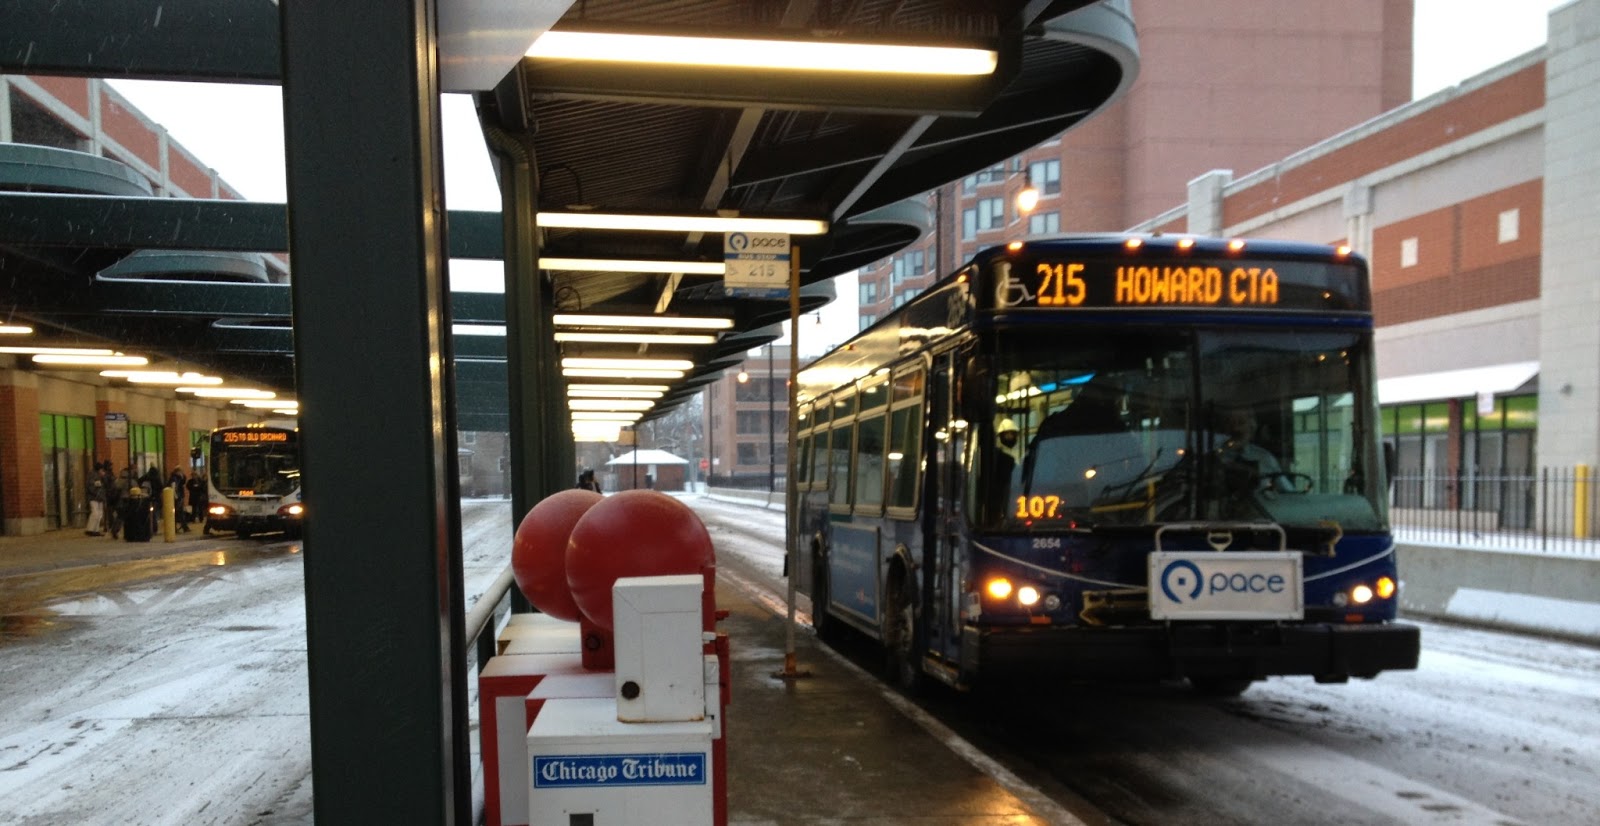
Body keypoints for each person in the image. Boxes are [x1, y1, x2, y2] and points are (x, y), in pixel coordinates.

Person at [85, 462, 107, 536]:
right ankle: (90, 529)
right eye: (101, 469)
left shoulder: (99, 476)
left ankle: (96, 530)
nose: (102, 471)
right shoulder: (92, 476)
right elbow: (92, 487)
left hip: (99, 497)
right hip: (94, 497)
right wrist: (96, 493)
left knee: (99, 514)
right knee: (95, 513)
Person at [168, 468, 191, 532]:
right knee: (178, 513)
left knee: (179, 513)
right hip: (177, 498)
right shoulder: (174, 478)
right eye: (181, 471)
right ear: (178, 471)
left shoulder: (177, 478)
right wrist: (176, 497)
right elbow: (173, 488)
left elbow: (183, 482)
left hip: (178, 497)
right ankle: (182, 527)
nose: (182, 473)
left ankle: (183, 527)